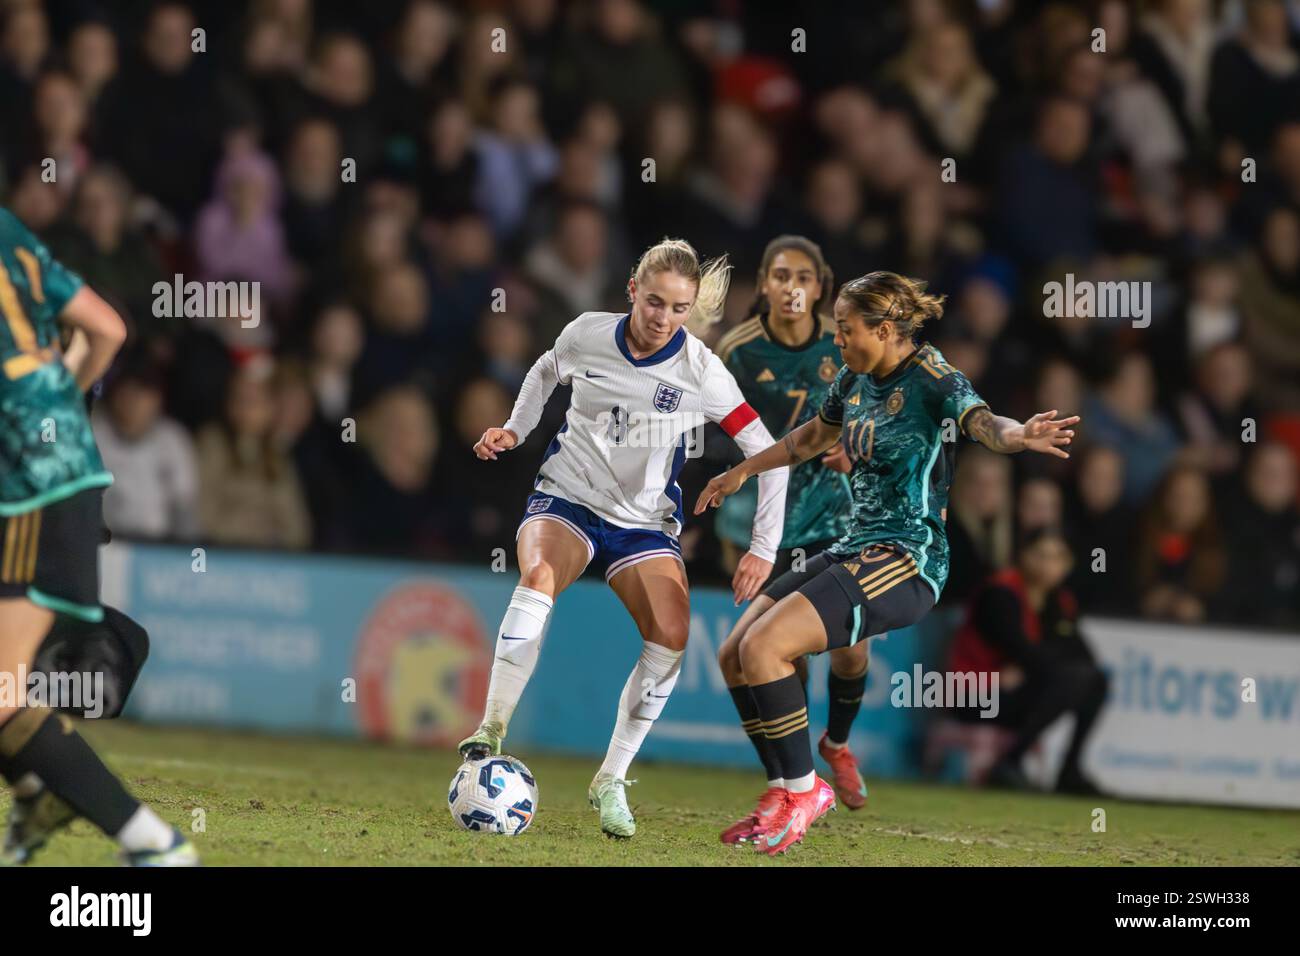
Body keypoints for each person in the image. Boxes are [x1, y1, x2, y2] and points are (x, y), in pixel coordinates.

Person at [696, 271, 1080, 856]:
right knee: (734, 656)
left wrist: (1017, 434)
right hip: (857, 545)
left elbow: (983, 423)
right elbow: (809, 440)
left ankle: (807, 792)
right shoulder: (854, 376)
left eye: (847, 331)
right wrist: (744, 469)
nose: (838, 342)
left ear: (884, 329)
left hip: (908, 556)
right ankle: (781, 793)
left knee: (765, 649)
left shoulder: (932, 377)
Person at [459, 238, 789, 839]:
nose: (664, 318)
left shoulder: (700, 370)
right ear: (633, 291)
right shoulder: (587, 333)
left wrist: (763, 547)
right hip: (567, 497)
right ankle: (491, 727)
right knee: (538, 577)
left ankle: (610, 778)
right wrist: (514, 428)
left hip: (641, 524)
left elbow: (772, 454)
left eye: (680, 308)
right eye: (655, 301)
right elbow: (544, 369)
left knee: (671, 633)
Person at [0, 207, 196, 865]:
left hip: (25, 489)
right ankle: (40, 789)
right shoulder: (9, 233)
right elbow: (108, 328)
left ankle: (153, 844)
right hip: (57, 478)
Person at [712, 236, 874, 833]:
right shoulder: (737, 351)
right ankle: (789, 784)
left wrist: (854, 453)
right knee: (764, 655)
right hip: (769, 526)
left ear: (822, 285)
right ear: (762, 284)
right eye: (780, 275)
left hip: (838, 521)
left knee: (848, 651)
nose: (791, 287)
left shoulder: (848, 344)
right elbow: (705, 429)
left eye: (803, 276)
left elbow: (878, 426)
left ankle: (832, 746)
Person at [948, 527, 1108, 796]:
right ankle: (1010, 762)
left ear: (1067, 565)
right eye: (1041, 556)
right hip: (974, 694)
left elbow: (1082, 656)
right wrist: (1042, 664)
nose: (1048, 565)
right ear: (1024, 556)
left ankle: (1070, 769)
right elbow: (1022, 650)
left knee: (1093, 679)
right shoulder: (1000, 592)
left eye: (1057, 558)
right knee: (1074, 676)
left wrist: (1039, 666)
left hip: (1018, 690)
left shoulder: (1059, 602)